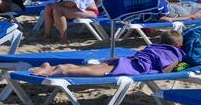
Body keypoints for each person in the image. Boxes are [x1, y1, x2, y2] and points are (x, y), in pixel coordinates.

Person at [33, 31, 184, 77]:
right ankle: (61, 69)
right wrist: (177, 62)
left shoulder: (154, 46)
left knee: (100, 67)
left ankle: (51, 67)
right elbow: (165, 71)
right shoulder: (174, 52)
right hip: (136, 67)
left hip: (128, 59)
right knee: (96, 71)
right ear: (178, 45)